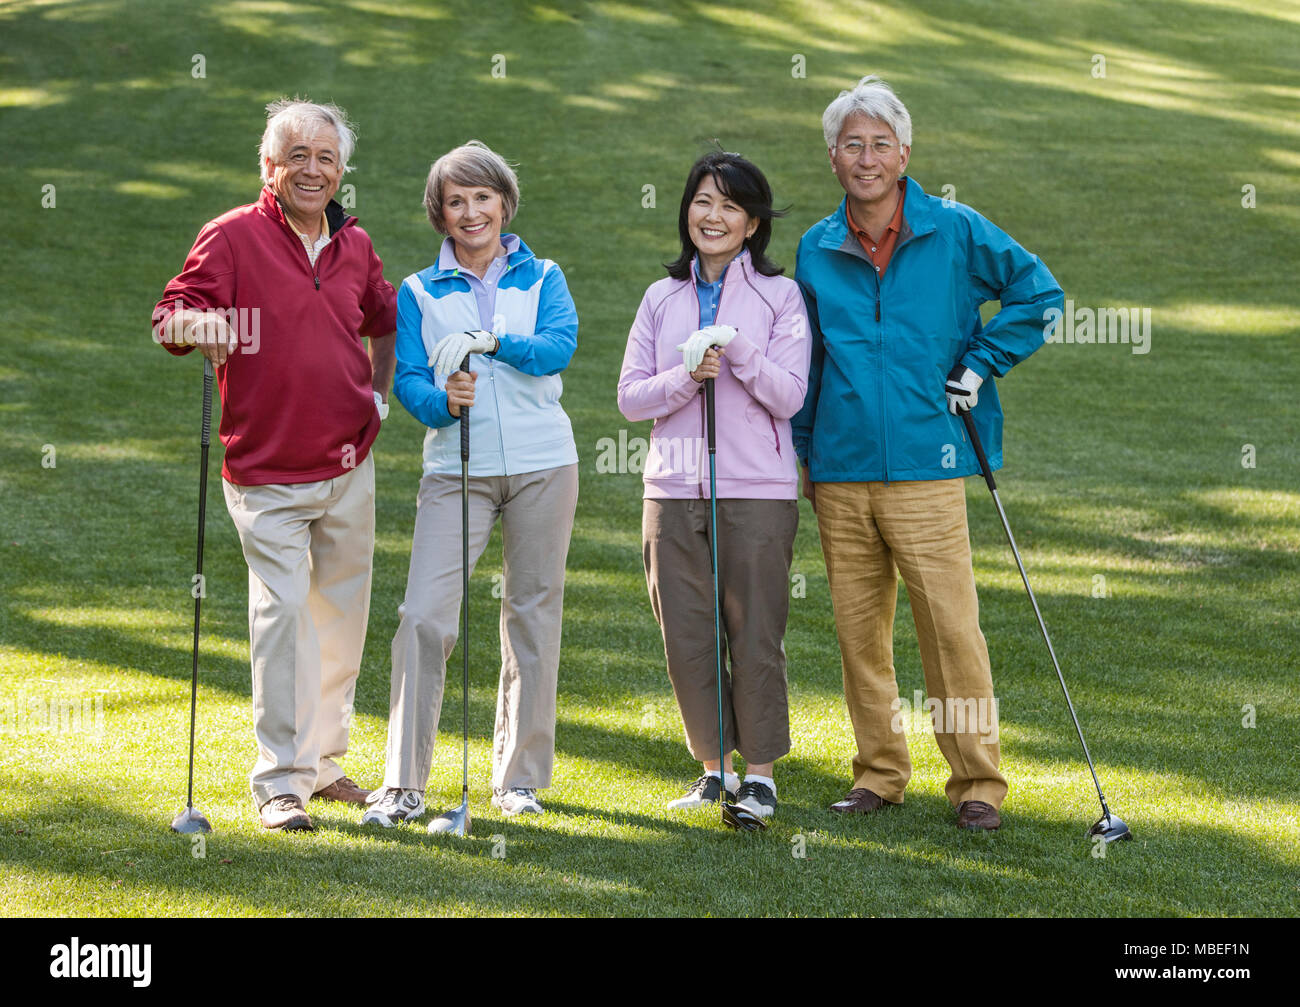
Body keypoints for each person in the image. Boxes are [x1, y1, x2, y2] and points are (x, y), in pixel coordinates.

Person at [792, 76, 1064, 831]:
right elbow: (809, 358)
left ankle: (977, 781)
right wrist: (805, 453)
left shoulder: (955, 228)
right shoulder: (816, 247)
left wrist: (979, 362)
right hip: (841, 470)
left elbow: (1040, 295)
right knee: (858, 632)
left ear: (905, 152)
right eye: (853, 145)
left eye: (881, 144)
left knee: (950, 627)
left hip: (929, 463)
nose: (868, 158)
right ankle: (879, 772)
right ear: (833, 156)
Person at [152, 99, 397, 831]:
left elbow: (383, 322)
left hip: (350, 462)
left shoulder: (354, 244)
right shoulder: (230, 237)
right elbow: (170, 314)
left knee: (340, 618)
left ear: (342, 170)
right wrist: (197, 322)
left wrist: (378, 401)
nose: (312, 169)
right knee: (285, 615)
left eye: (326, 157)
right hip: (265, 470)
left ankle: (322, 762)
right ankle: (279, 781)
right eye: (298, 156)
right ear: (271, 166)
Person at [362, 141, 579, 827]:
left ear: (504, 203)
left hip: (545, 462)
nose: (471, 211)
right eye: (456, 201)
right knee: (424, 615)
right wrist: (445, 399)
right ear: (441, 215)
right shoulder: (421, 291)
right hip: (457, 469)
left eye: (482, 197)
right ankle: (403, 782)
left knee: (532, 615)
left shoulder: (544, 276)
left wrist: (489, 344)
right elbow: (409, 383)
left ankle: (519, 779)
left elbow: (556, 348)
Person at [618, 151, 810, 821]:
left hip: (757, 489)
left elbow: (789, 395)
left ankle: (760, 776)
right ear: (686, 211)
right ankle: (715, 769)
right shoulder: (660, 297)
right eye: (703, 201)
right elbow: (630, 398)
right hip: (671, 489)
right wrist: (686, 377)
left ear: (754, 223)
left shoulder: (779, 297)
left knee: (755, 631)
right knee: (687, 635)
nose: (714, 216)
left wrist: (739, 353)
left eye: (730, 205)